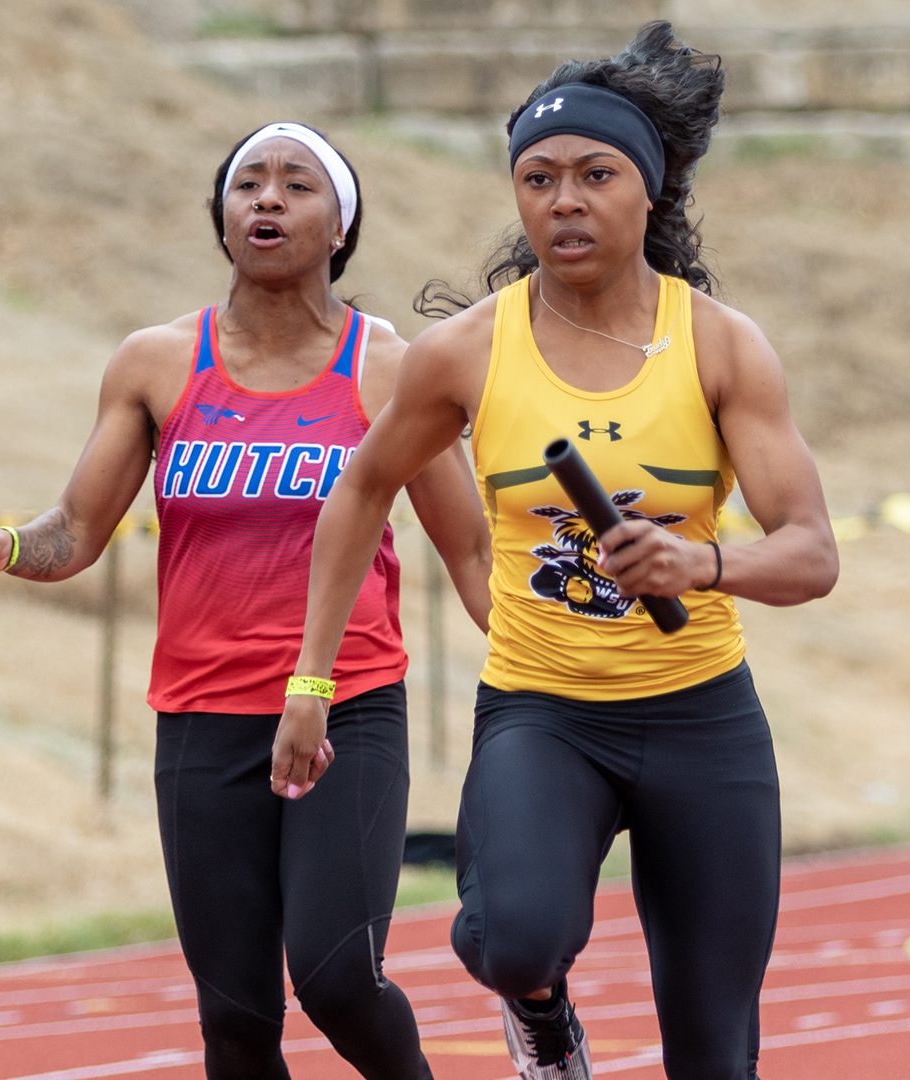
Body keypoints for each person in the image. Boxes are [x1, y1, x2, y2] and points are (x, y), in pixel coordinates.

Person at [280, 24, 836, 1080]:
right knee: (516, 940)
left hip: (700, 716)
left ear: (653, 194)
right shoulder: (467, 350)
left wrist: (700, 566)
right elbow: (359, 490)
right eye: (537, 179)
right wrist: (311, 675)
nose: (563, 200)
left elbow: (810, 554)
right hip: (545, 712)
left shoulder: (720, 344)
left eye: (595, 175)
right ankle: (540, 1014)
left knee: (716, 1055)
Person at [0, 122, 492, 1080]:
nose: (266, 199)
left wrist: (561, 668)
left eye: (297, 185)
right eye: (248, 185)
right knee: (234, 1018)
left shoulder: (390, 370)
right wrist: (4, 548)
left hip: (345, 708)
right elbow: (76, 529)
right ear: (223, 218)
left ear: (341, 227)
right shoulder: (156, 363)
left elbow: (472, 547)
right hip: (200, 719)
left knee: (335, 977)